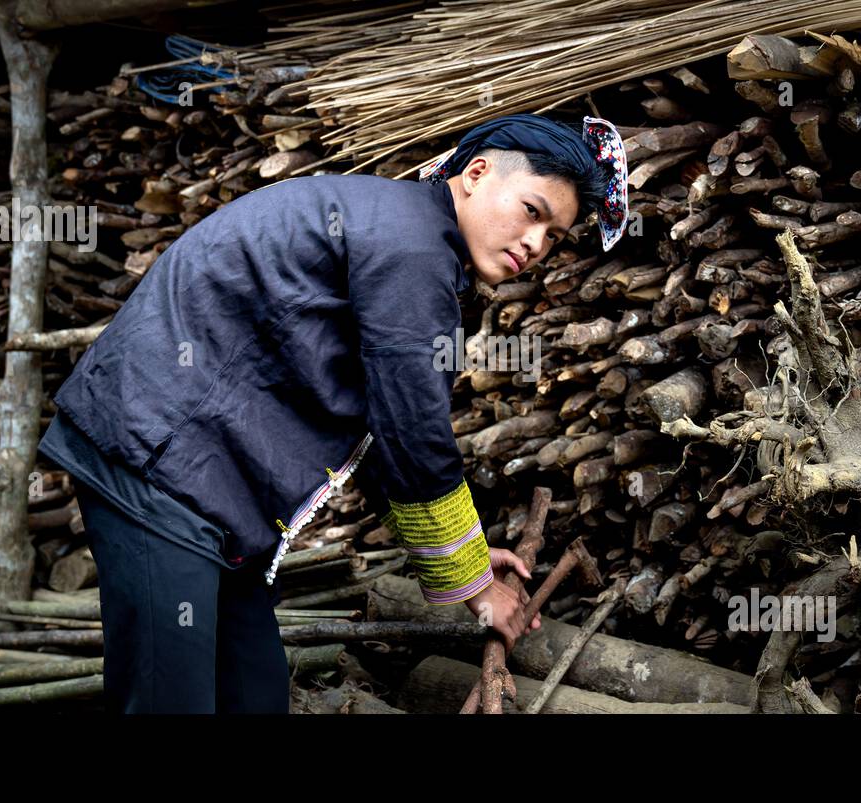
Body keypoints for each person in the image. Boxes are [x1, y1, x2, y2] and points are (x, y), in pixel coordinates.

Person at [37, 112, 630, 713]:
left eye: (554, 235)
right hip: (157, 465)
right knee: (171, 699)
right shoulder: (413, 248)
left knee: (255, 693)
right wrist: (476, 587)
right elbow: (409, 430)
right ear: (476, 174)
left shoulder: (406, 230)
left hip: (199, 481)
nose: (536, 243)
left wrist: (469, 551)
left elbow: (377, 429)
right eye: (533, 212)